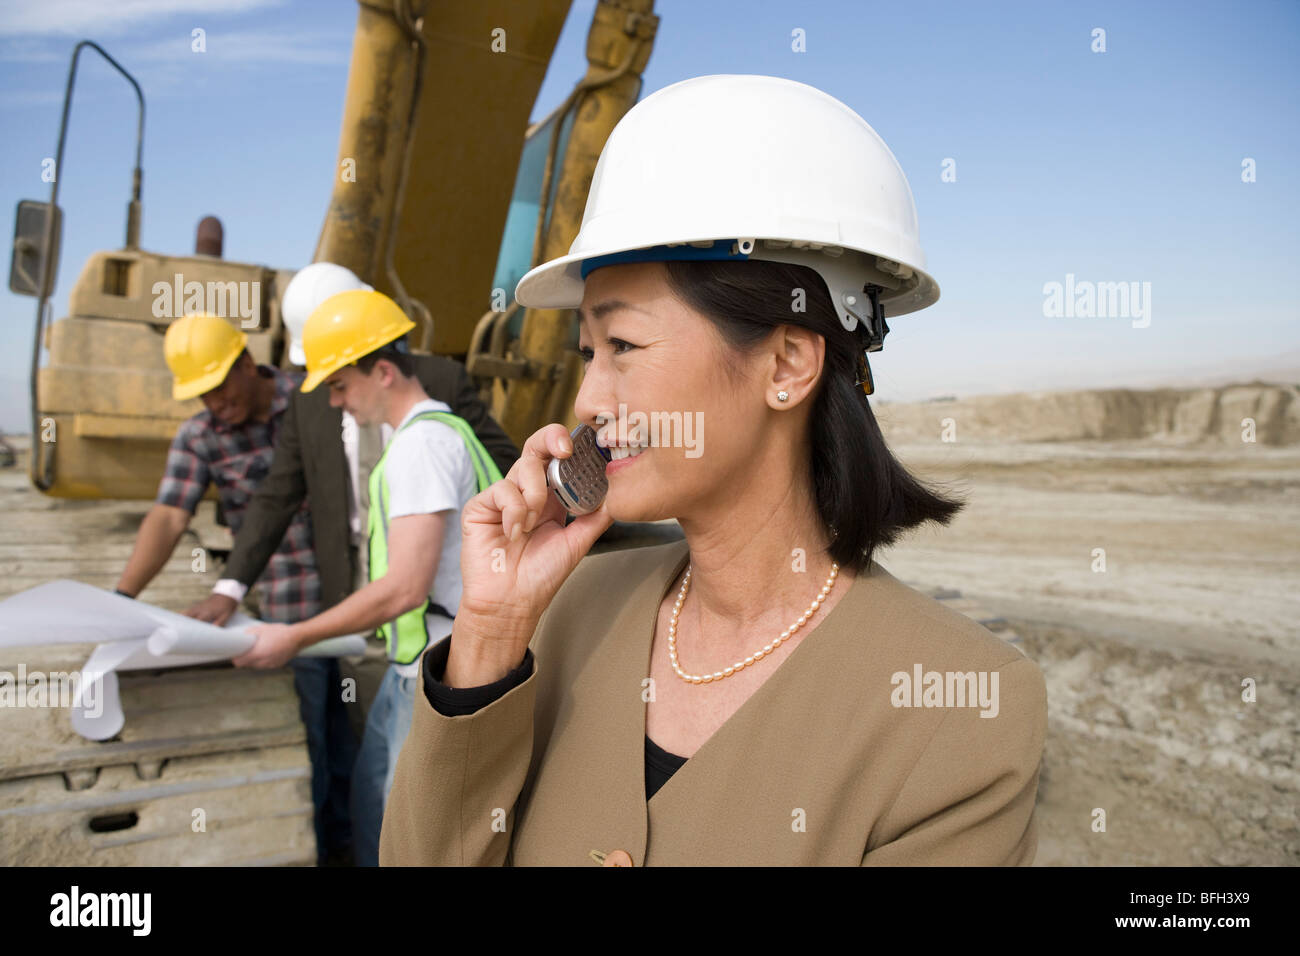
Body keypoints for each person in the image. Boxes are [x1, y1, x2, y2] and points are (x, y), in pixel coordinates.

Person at [380, 75, 1048, 866]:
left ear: (787, 364)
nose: (589, 397)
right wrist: (489, 638)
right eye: (587, 353)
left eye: (623, 345)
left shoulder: (958, 705)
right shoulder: (563, 614)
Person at [181, 265, 518, 864]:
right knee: (371, 788)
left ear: (381, 370)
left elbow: (407, 586)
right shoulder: (404, 423)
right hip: (399, 641)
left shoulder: (424, 440)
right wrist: (235, 589)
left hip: (427, 644)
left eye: (338, 383)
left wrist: (292, 636)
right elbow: (279, 495)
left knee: (404, 818)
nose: (330, 397)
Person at [114, 312, 347, 863]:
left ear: (248, 363)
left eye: (219, 386)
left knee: (359, 721)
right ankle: (328, 841)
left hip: (362, 585)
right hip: (290, 602)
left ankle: (363, 829)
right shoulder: (201, 436)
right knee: (311, 727)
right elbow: (170, 516)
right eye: (201, 396)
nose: (215, 404)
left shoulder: (317, 395)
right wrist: (121, 598)